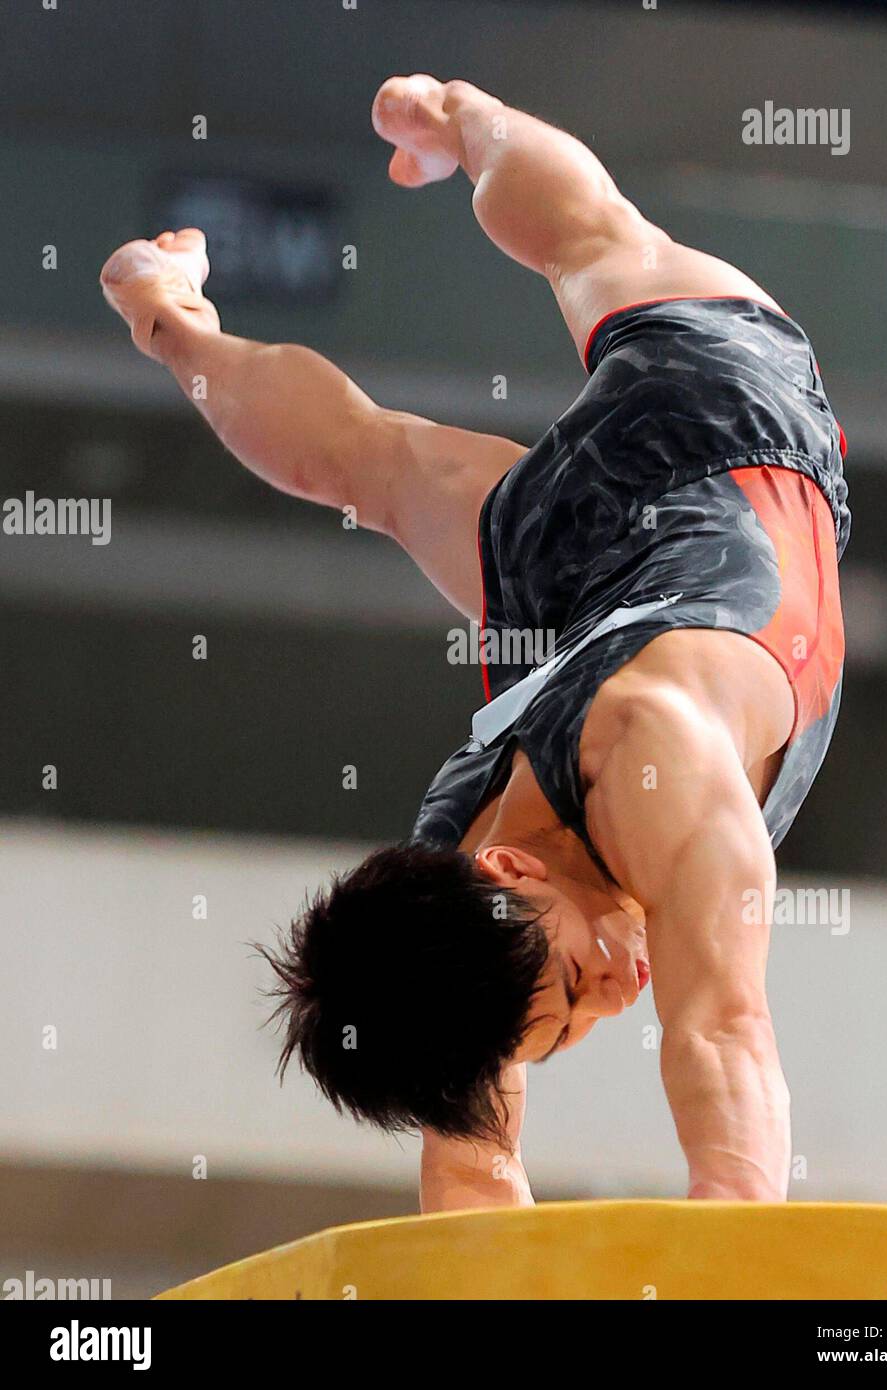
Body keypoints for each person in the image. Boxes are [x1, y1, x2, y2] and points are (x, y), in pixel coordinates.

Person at [100, 74, 849, 1210]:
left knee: (601, 243)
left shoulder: (671, 766)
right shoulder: (457, 913)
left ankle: (468, 118)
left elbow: (724, 1044)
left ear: (505, 866)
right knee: (372, 466)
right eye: (567, 1029)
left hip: (720, 432)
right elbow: (473, 1168)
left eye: (570, 987)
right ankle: (172, 318)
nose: (607, 997)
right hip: (568, 594)